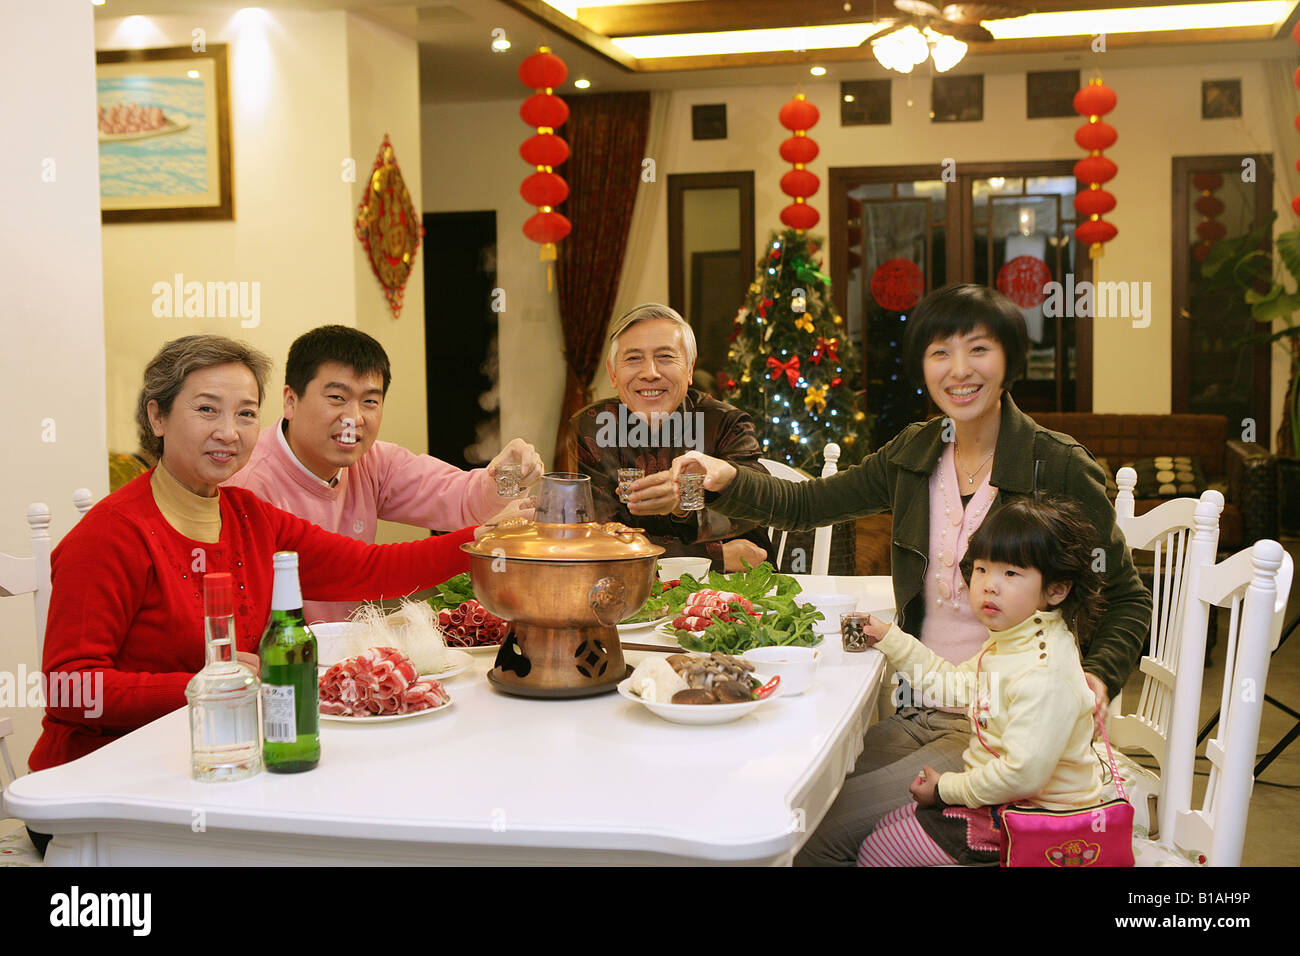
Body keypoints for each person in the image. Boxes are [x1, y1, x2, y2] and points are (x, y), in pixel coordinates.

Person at [669, 283, 1150, 865]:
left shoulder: (1058, 464)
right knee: (795, 789)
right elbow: (808, 505)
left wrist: (1096, 680)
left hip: (994, 731)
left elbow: (1127, 599)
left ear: (1010, 362)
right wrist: (728, 478)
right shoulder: (913, 453)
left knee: (813, 834)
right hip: (917, 706)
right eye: (940, 352)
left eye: (979, 350)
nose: (960, 370)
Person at [29, 335, 478, 796]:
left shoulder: (248, 515)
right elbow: (71, 688)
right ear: (157, 416)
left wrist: (486, 540)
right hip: (103, 786)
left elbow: (368, 569)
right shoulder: (112, 533)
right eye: (207, 409)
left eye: (245, 413)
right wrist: (207, 685)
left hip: (223, 764)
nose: (230, 431)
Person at [224, 325, 542, 622]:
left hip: (346, 654)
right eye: (337, 398)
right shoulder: (248, 484)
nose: (354, 418)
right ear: (290, 401)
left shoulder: (374, 461)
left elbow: (461, 500)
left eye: (370, 401)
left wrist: (509, 474)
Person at [855, 497, 1106, 866]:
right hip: (1003, 804)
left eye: (1011, 574)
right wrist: (890, 638)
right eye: (982, 570)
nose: (989, 586)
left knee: (878, 851)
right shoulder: (1012, 642)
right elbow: (953, 686)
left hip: (1038, 825)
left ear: (1056, 590)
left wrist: (945, 789)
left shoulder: (1041, 672)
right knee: (890, 825)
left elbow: (1022, 776)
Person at [569, 304, 775, 572]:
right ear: (613, 373)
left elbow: (755, 508)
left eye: (665, 357)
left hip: (734, 594)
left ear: (689, 370)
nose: (650, 372)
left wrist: (682, 503)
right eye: (633, 359)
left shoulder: (726, 425)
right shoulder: (590, 428)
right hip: (625, 594)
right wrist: (714, 556)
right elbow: (595, 542)